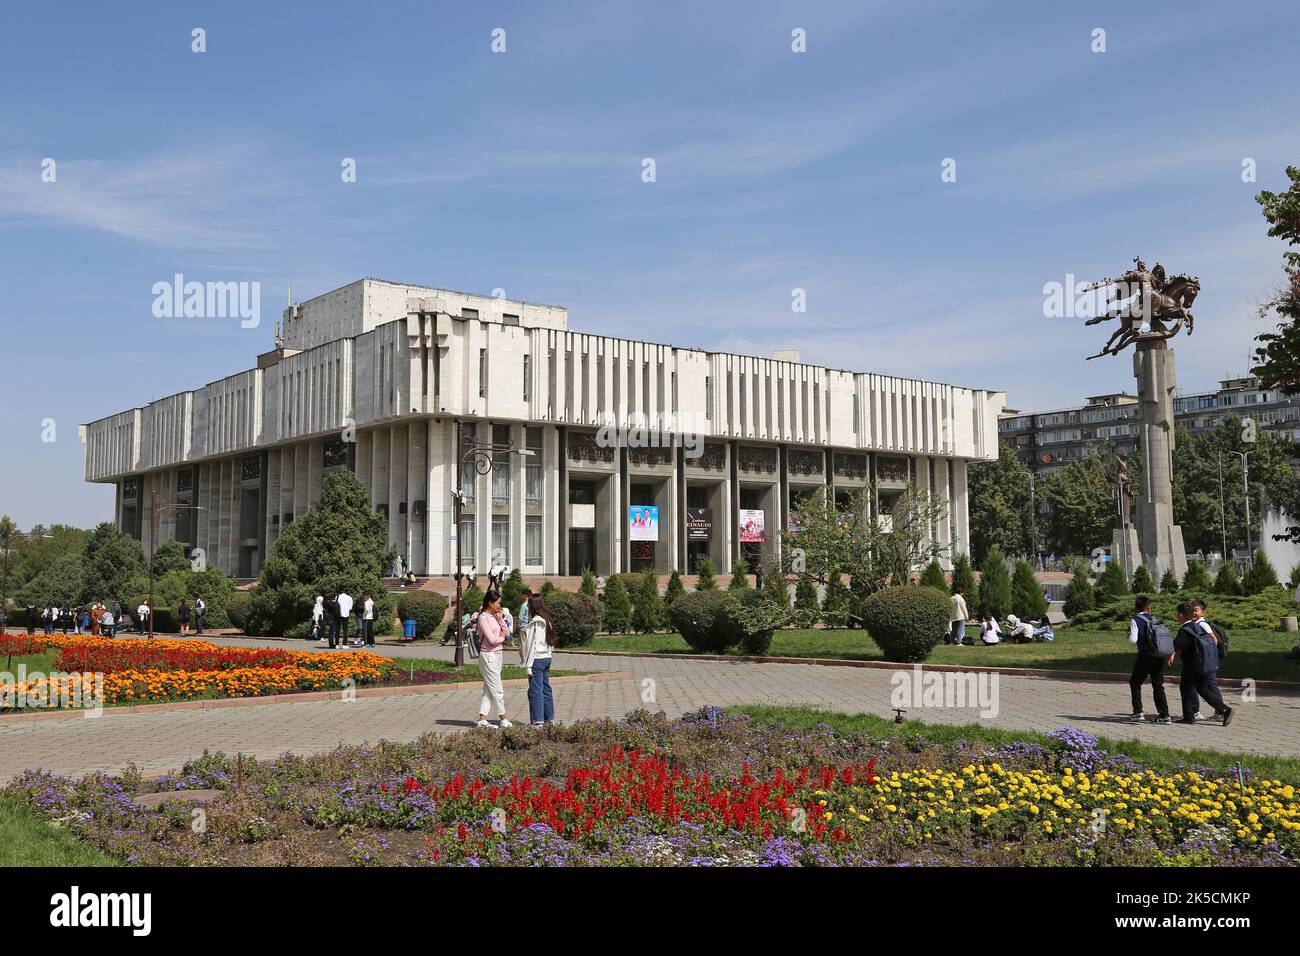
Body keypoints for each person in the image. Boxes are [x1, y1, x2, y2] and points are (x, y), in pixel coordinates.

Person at [1173, 601, 1234, 726]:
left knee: (1185, 687)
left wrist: (1170, 654)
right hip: (1200, 662)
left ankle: (1189, 716)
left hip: (1192, 665)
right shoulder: (1195, 626)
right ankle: (1225, 710)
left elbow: (1176, 644)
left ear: (1181, 615)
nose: (1176, 616)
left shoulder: (1185, 630)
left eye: (1177, 614)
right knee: (1202, 689)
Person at [1127, 595, 1172, 723]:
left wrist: (1129, 634)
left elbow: (1133, 640)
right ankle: (1164, 715)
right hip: (1159, 656)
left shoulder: (1135, 620)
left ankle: (1138, 712)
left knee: (1135, 683)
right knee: (1158, 685)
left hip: (1145, 657)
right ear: (1149, 608)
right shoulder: (1155, 619)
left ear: (1136, 607)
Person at [474, 589, 512, 728]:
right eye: (497, 603)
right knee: (497, 688)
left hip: (498, 654)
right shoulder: (483, 617)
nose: (499, 606)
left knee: (489, 689)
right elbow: (491, 639)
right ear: (490, 602)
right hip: (488, 656)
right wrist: (502, 638)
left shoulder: (495, 616)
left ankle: (482, 719)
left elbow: (507, 632)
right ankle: (504, 719)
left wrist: (500, 619)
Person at [524, 593, 557, 726]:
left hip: (536, 659)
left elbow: (532, 645)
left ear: (533, 605)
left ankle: (537, 721)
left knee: (535, 691)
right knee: (546, 689)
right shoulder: (547, 620)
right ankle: (549, 719)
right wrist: (549, 655)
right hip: (546, 658)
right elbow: (551, 642)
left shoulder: (535, 623)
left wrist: (528, 665)